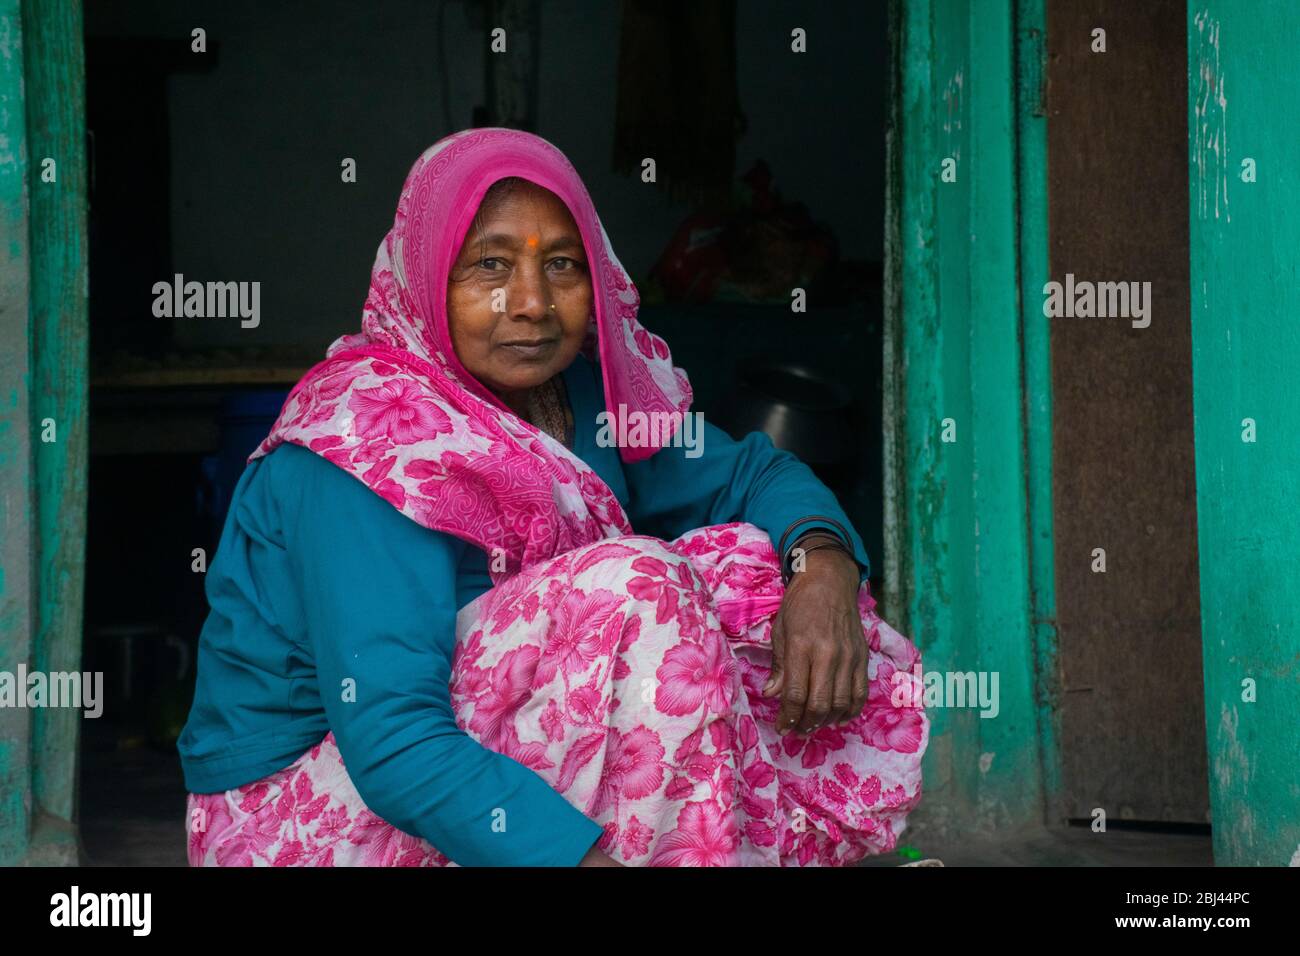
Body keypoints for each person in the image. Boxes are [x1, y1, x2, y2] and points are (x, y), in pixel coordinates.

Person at [178, 128, 928, 867]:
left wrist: (823, 569)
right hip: (304, 817)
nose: (532, 302)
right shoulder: (366, 441)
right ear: (426, 273)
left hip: (469, 770)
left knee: (747, 566)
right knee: (640, 590)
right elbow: (398, 744)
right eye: (490, 265)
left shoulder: (583, 399)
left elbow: (754, 478)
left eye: (562, 265)